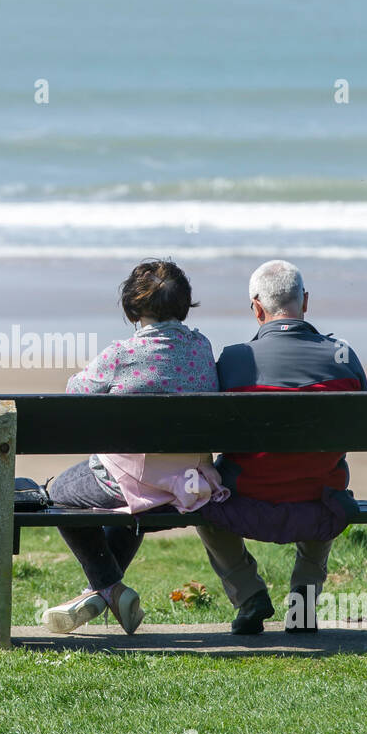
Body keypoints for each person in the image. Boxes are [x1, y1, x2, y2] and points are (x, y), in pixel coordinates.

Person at [40, 260, 228, 637]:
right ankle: (104, 590)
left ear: (132, 307)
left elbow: (75, 392)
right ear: (184, 303)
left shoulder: (120, 355)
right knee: (129, 498)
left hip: (139, 480)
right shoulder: (201, 347)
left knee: (57, 493)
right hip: (192, 479)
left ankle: (108, 586)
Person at [196, 260, 367, 635]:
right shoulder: (342, 357)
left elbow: (208, 433)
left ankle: (247, 592)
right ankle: (304, 601)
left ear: (257, 308)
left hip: (242, 501)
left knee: (199, 496)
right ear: (304, 302)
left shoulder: (234, 360)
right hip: (318, 503)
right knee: (326, 472)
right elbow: (356, 432)